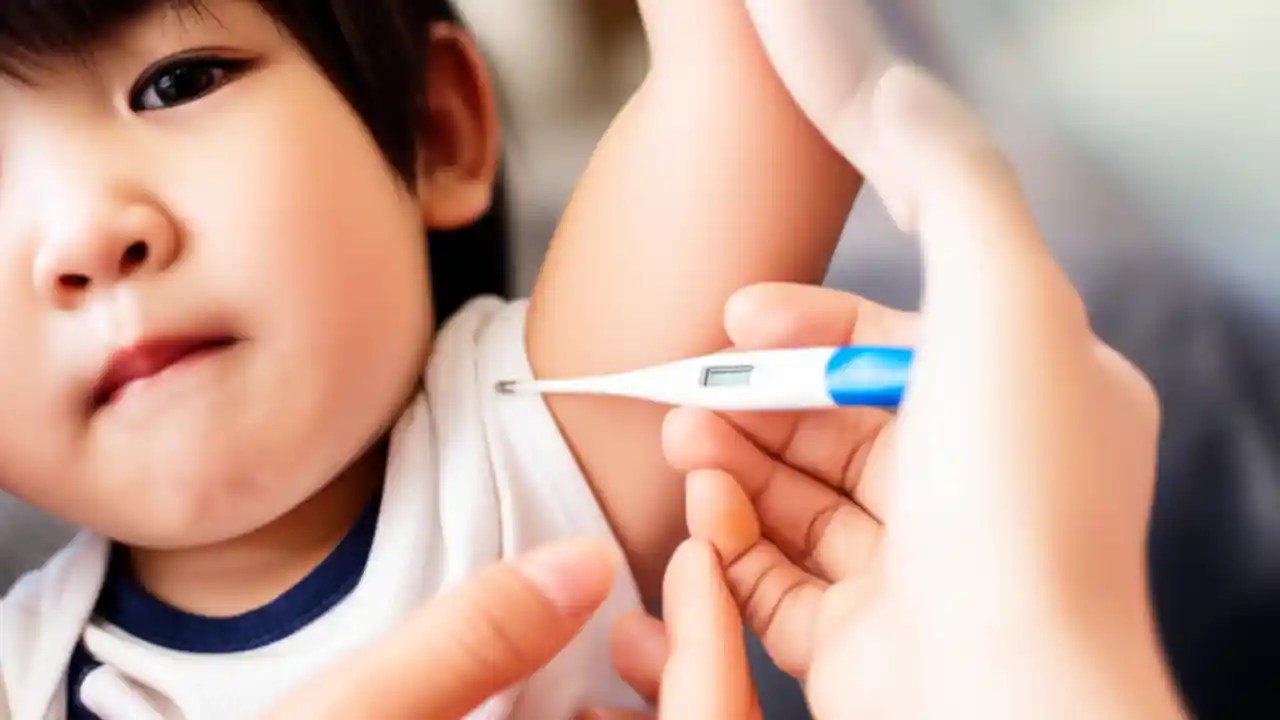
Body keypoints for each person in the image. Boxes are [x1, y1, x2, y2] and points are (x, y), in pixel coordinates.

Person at [265, 2, 1194, 718]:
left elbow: (750, 64)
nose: (112, 235)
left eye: (176, 84)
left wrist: (1033, 662)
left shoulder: (500, 447)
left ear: (434, 128)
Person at [0, 1, 860, 717]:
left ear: (433, 127)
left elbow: (767, 54)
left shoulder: (535, 449)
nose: (87, 232)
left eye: (176, 83)